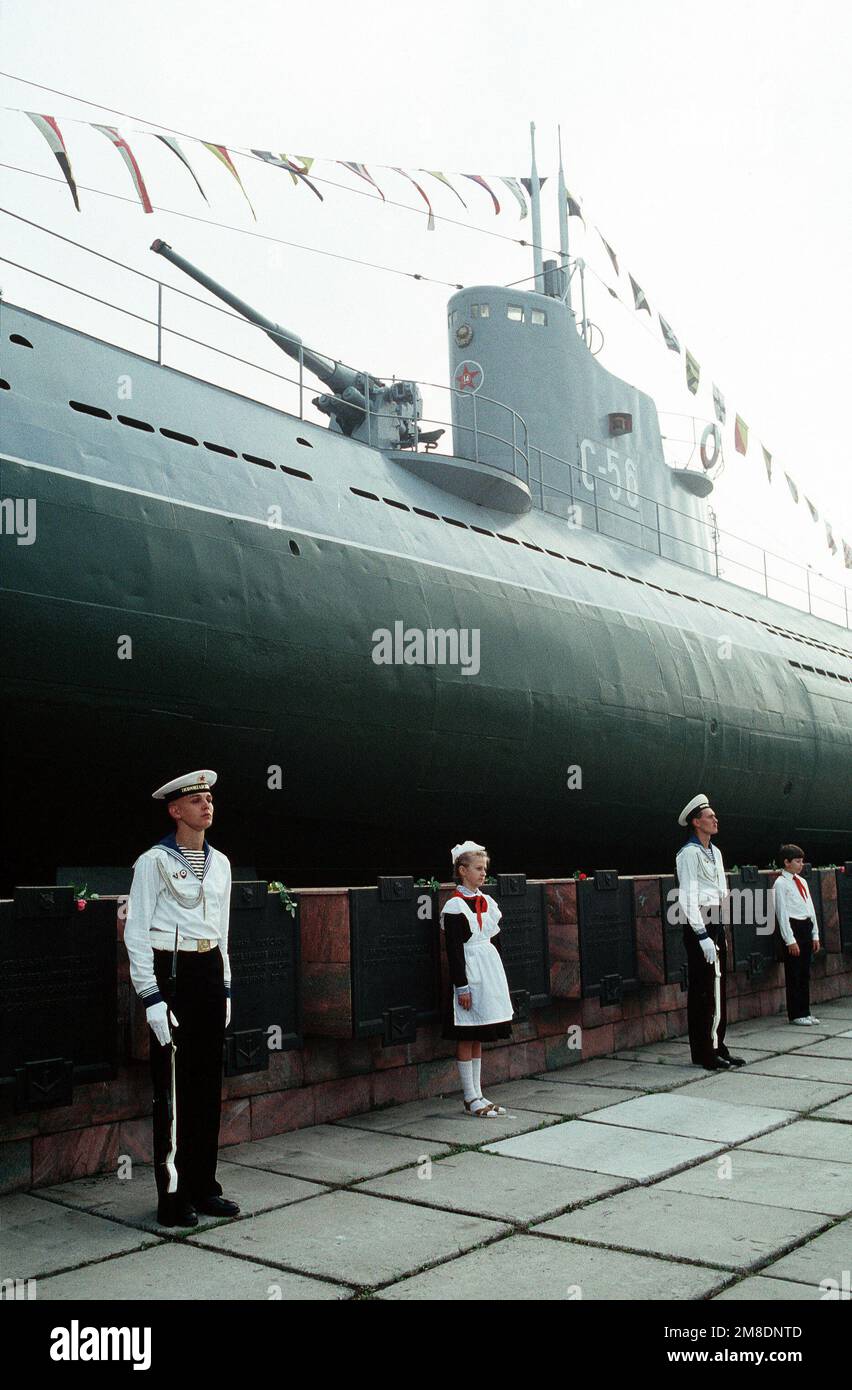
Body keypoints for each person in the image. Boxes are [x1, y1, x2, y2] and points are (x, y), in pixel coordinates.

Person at [124, 769, 240, 1227]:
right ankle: (172, 1196)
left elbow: (223, 932)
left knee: (207, 1085)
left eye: (209, 798)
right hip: (172, 973)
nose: (206, 806)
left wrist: (226, 985)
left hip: (208, 970)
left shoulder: (223, 864)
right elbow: (136, 934)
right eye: (196, 801)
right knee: (171, 1090)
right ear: (175, 810)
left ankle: (203, 1185)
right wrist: (151, 998)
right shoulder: (152, 862)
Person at [441, 840, 514, 1117]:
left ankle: (480, 1094)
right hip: (470, 974)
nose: (483, 874)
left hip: (488, 972)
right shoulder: (455, 907)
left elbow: (494, 939)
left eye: (485, 869)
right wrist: (462, 986)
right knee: (466, 1033)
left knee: (479, 1033)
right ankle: (469, 1097)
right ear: (462, 871)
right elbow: (455, 951)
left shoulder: (487, 902)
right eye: (478, 868)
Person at [675, 794, 745, 1072]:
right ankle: (703, 1052)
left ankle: (718, 1046)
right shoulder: (688, 854)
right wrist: (702, 935)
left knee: (718, 987)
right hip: (699, 922)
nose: (715, 819)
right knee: (703, 990)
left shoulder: (715, 852)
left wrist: (722, 924)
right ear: (695, 822)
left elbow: (722, 889)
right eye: (709, 816)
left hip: (716, 919)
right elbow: (687, 896)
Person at [773, 845, 821, 1025]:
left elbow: (810, 908)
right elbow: (782, 914)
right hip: (794, 927)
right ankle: (796, 1013)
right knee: (794, 972)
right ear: (786, 862)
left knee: (804, 973)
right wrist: (789, 940)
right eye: (797, 861)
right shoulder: (781, 883)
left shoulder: (801, 881)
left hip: (806, 926)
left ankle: (805, 1010)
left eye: (802, 861)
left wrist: (815, 933)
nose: (801, 864)